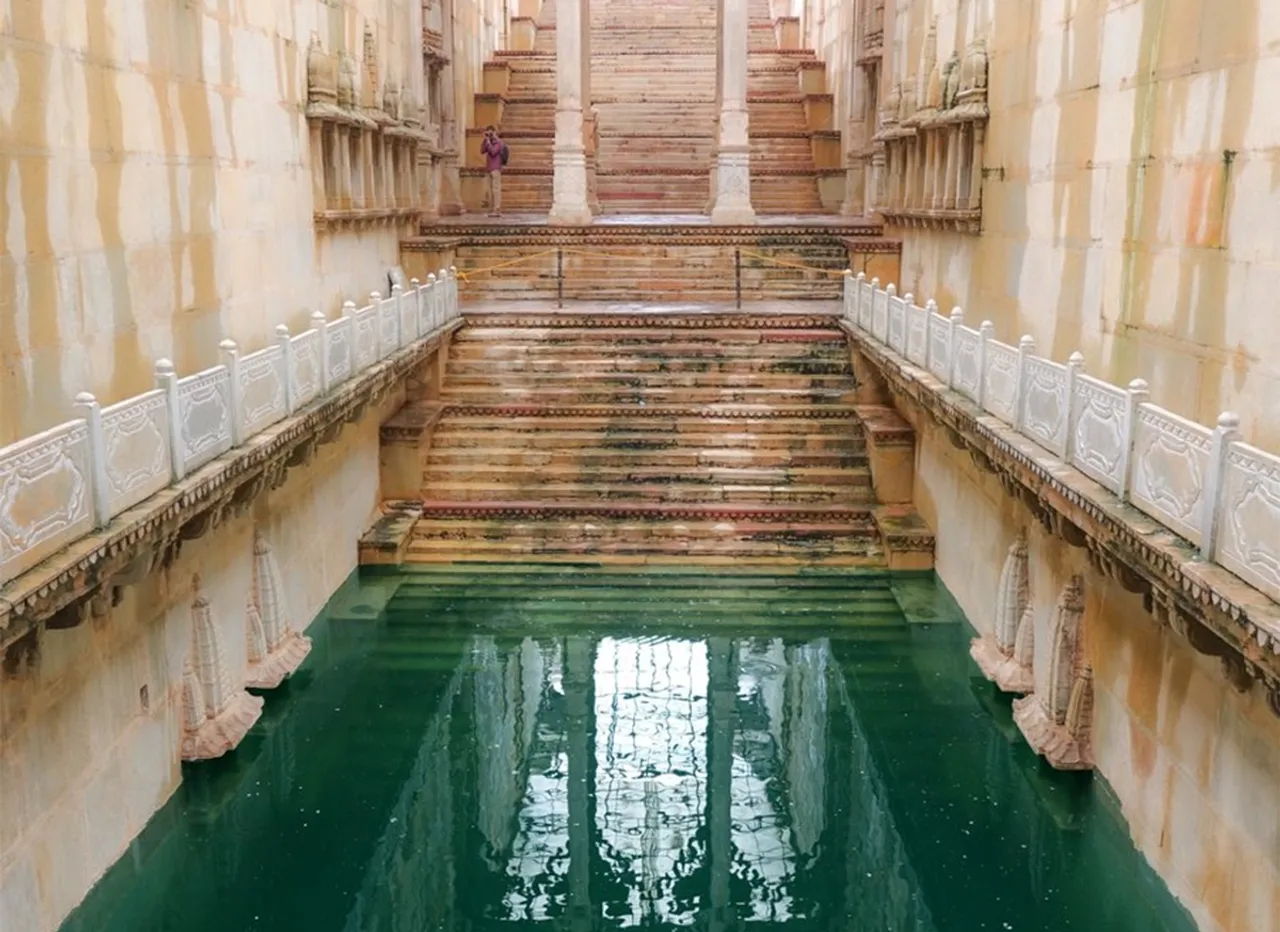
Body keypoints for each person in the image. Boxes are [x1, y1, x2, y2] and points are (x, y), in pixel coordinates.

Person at [481, 125, 505, 217]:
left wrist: (488, 142)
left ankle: (497, 209)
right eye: (488, 133)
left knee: (496, 190)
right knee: (489, 190)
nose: (490, 135)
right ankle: (491, 209)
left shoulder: (499, 142)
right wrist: (485, 140)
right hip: (489, 169)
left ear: (495, 132)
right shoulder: (488, 142)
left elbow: (493, 152)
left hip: (496, 168)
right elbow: (482, 151)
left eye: (491, 133)